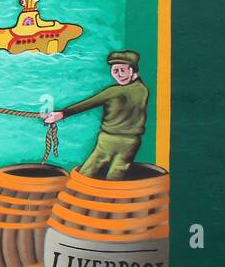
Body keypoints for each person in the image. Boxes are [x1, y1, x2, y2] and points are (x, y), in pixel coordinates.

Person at [44, 50, 148, 180]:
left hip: (109, 140)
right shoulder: (142, 89)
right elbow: (135, 84)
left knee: (87, 172)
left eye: (123, 70)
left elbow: (89, 103)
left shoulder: (113, 92)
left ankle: (78, 195)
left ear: (132, 71)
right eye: (115, 71)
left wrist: (62, 114)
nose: (120, 75)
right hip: (131, 141)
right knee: (117, 174)